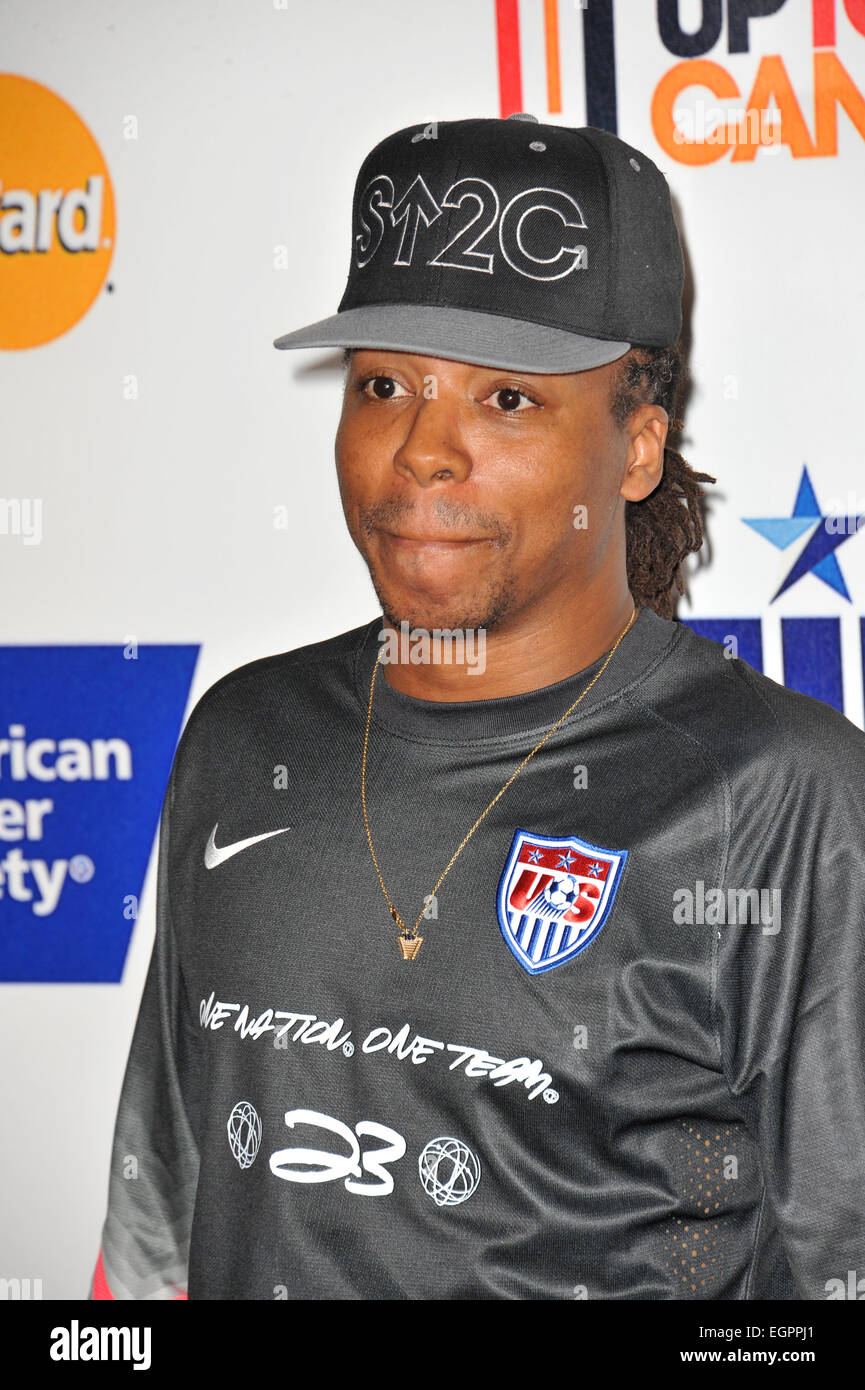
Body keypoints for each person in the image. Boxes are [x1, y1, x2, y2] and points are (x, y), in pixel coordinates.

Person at [92, 115, 865, 1301]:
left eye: (507, 397)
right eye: (385, 384)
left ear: (638, 444)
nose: (420, 451)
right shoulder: (244, 735)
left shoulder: (781, 796)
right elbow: (157, 1224)